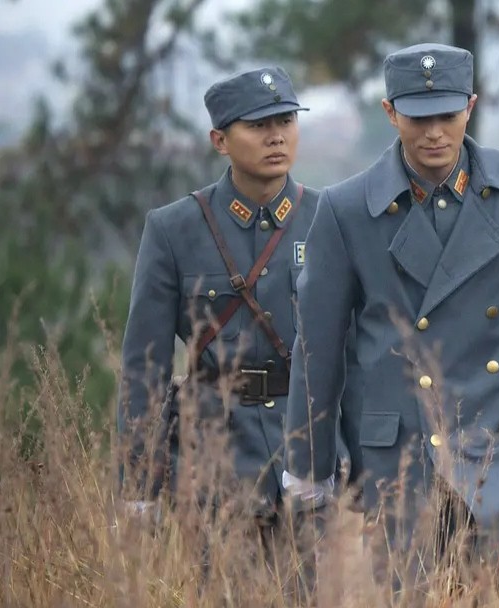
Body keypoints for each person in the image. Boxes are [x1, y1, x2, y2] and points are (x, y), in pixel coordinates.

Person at [282, 43, 499, 604]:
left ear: (471, 106)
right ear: (390, 113)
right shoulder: (347, 210)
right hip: (408, 457)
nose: (435, 132)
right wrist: (310, 464)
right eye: (419, 118)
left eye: (448, 114)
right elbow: (317, 346)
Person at [116, 66, 349, 599]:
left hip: (309, 448)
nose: (276, 136)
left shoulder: (330, 219)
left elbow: (358, 352)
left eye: (286, 121)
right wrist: (138, 485)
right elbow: (144, 368)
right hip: (214, 457)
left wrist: (362, 459)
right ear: (219, 140)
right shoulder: (174, 229)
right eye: (258, 125)